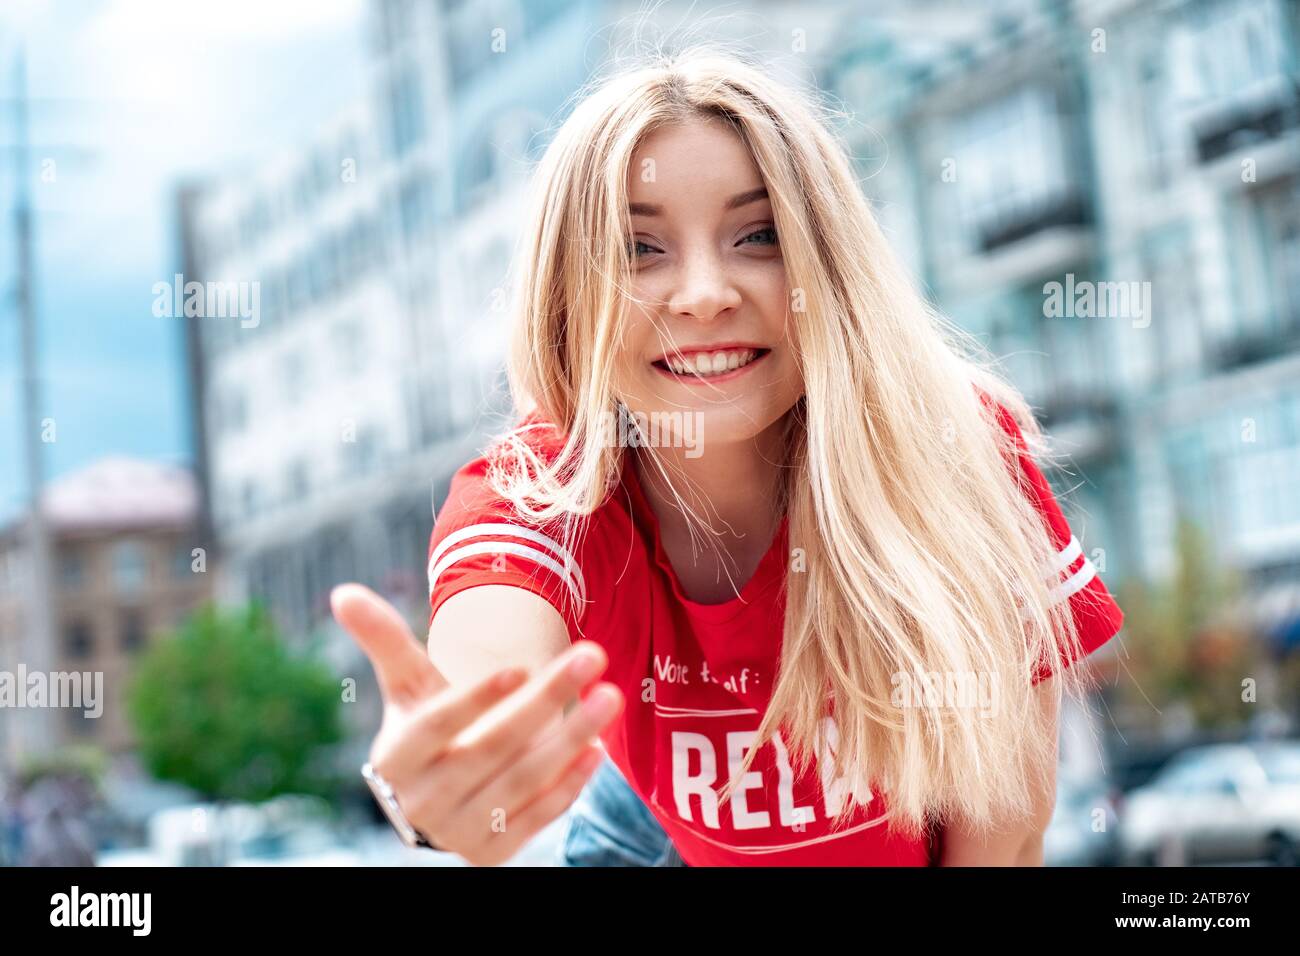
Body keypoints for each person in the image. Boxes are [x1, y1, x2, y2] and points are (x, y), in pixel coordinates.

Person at [331, 43, 1125, 867]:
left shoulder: (956, 451)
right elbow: (488, 675)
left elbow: (1005, 835)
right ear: (570, 296)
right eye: (639, 249)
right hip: (642, 843)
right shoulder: (539, 487)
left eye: (758, 235)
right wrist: (450, 780)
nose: (706, 292)